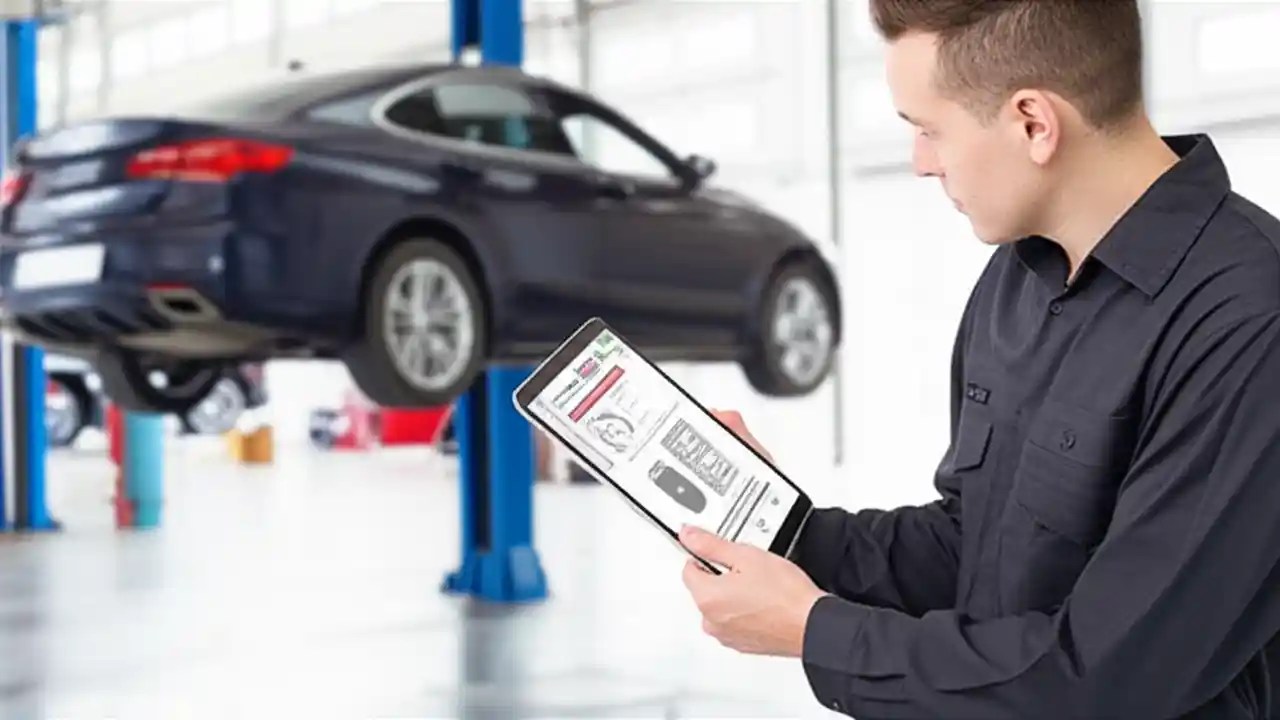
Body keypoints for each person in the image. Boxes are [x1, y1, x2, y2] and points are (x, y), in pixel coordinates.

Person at [676, 1, 1280, 718]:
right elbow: (972, 546)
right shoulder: (1018, 277)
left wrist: (815, 632)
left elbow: (1108, 678)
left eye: (930, 130)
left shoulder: (1247, 317)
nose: (920, 163)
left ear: (1033, 122)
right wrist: (779, 525)